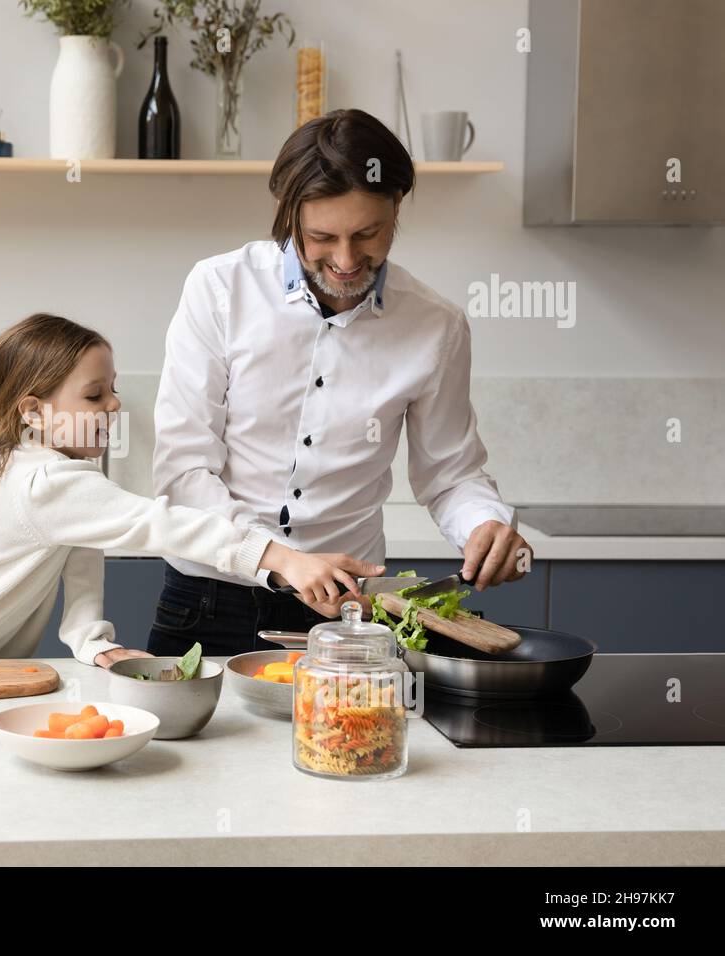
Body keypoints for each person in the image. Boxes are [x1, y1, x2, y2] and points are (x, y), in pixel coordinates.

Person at [150, 108, 532, 657]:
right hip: (208, 601)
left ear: (395, 208)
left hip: (349, 613)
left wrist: (486, 524)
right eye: (322, 237)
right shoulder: (219, 290)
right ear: (289, 219)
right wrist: (279, 559)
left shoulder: (436, 326)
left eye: (368, 234)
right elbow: (183, 470)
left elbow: (451, 475)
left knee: (353, 746)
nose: (348, 260)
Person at [0, 312, 381, 668]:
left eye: (112, 389)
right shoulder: (46, 480)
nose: (115, 405)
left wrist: (90, 641)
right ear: (34, 410)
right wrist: (282, 558)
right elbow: (162, 525)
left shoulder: (43, 468)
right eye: (95, 395)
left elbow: (77, 558)